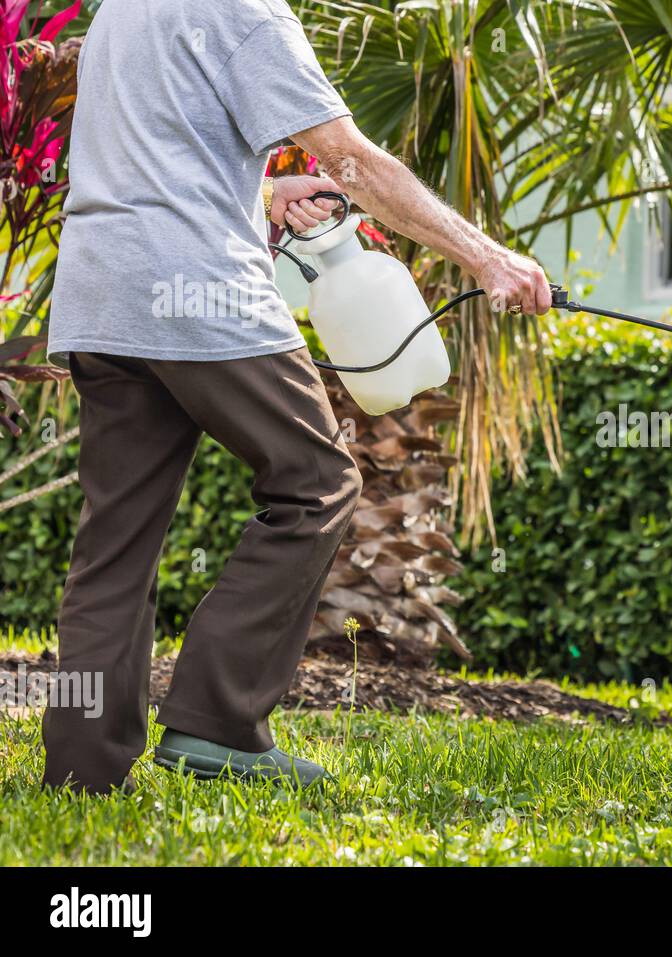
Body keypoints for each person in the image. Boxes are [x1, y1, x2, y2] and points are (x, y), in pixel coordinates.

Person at [41, 0, 550, 794]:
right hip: (198, 290)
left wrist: (262, 200)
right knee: (317, 481)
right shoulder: (244, 8)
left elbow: (155, 150)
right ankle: (215, 723)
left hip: (101, 294)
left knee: (114, 545)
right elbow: (352, 159)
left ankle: (81, 769)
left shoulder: (123, 8)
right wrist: (485, 257)